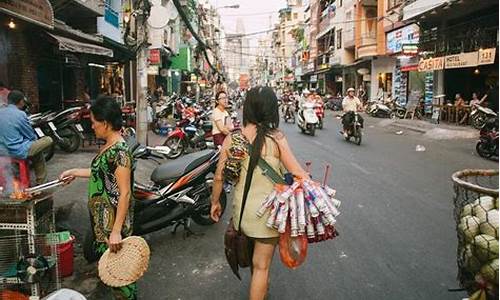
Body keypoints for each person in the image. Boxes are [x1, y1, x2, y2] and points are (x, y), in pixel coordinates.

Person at [210, 86, 309, 300]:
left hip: (242, 215)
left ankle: (260, 289)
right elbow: (299, 174)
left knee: (257, 268)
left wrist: (214, 203)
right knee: (262, 267)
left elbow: (219, 177)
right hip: (268, 218)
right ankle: (260, 289)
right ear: (272, 110)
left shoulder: (232, 139)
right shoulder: (276, 140)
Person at [59, 96, 136, 300]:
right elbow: (100, 173)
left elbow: (124, 192)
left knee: (122, 279)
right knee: (112, 274)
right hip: (104, 225)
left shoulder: (120, 152)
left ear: (105, 123)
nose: (91, 126)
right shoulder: (109, 146)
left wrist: (116, 231)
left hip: (113, 227)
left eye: (93, 122)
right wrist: (74, 171)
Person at [0, 90, 53, 184]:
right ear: (21, 101)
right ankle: (41, 182)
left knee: (36, 151)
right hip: (17, 151)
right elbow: (30, 135)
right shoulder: (20, 114)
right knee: (47, 140)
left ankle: (39, 181)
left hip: (2, 150)